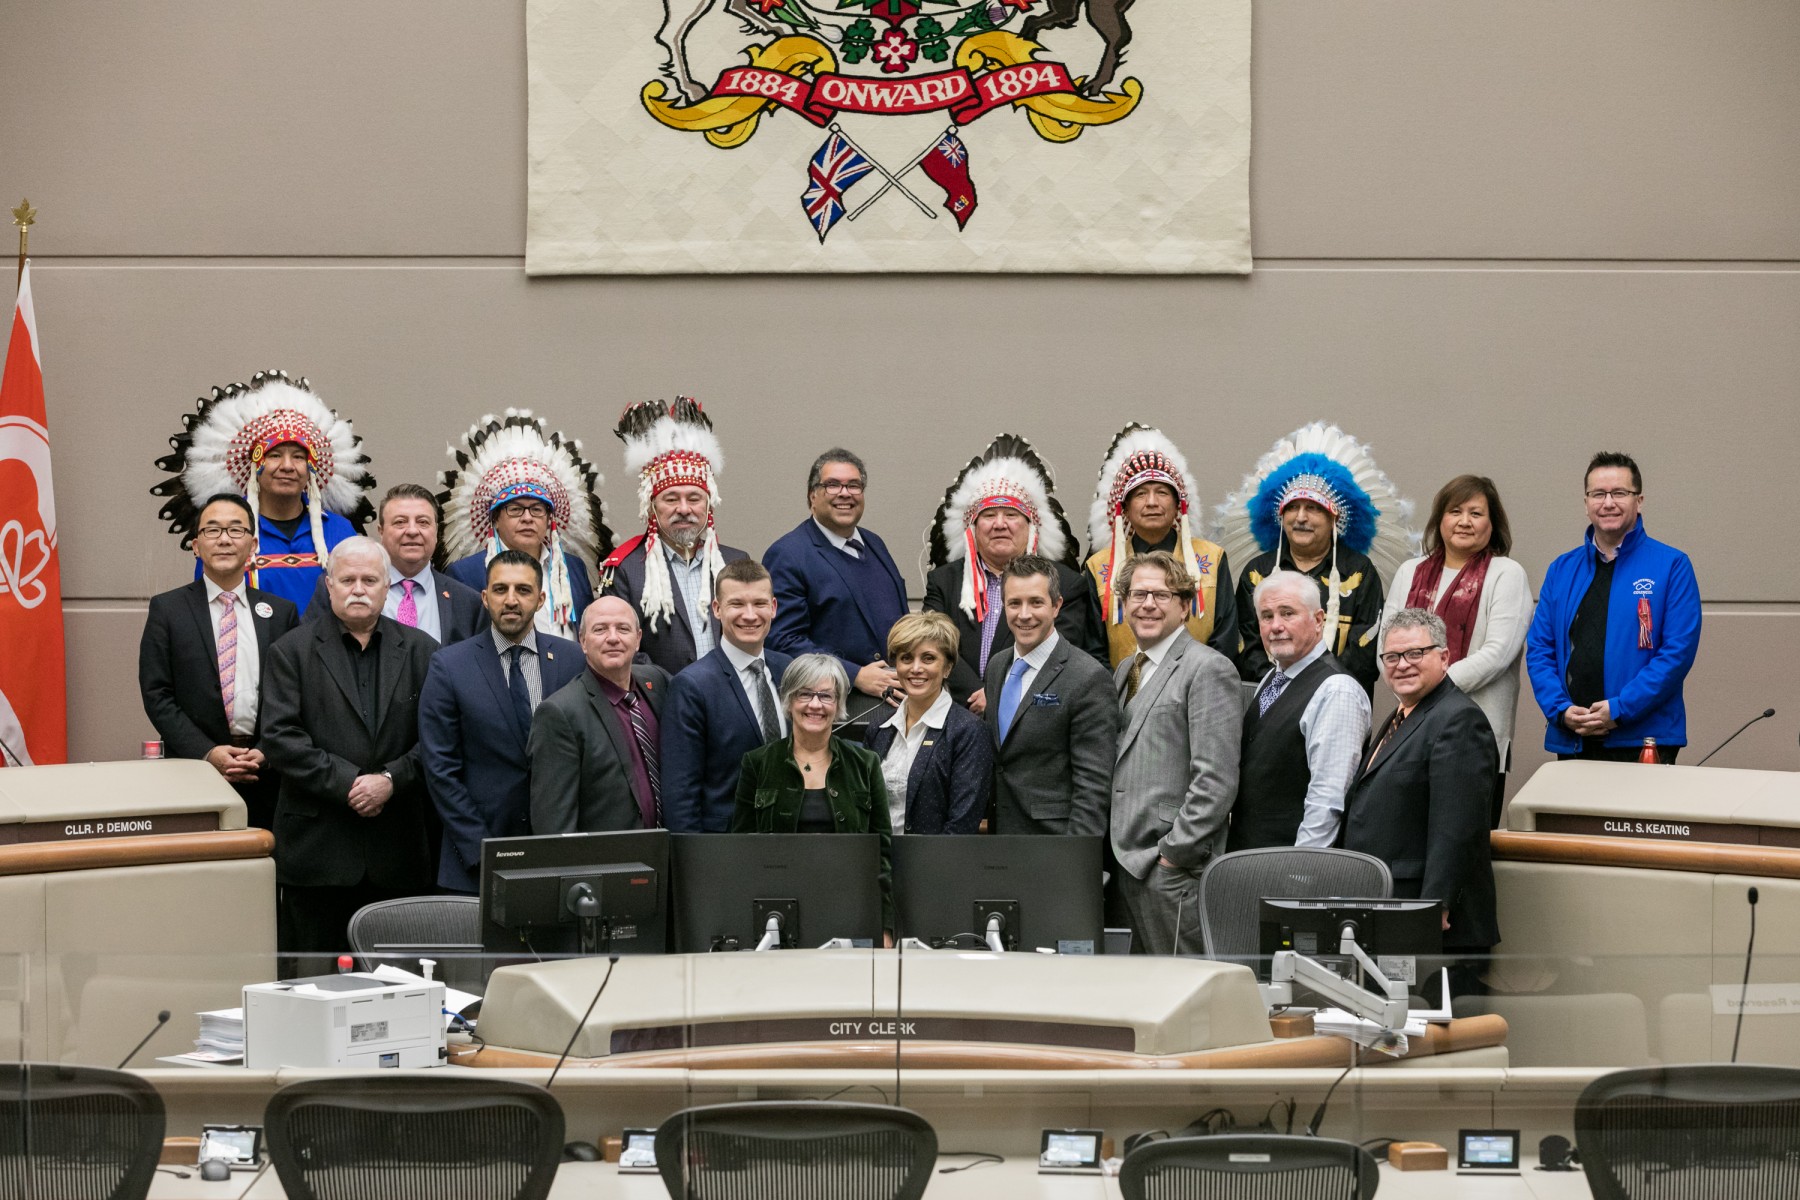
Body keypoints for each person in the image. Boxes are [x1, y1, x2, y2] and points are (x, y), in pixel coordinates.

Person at [260, 537, 438, 963]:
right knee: (317, 984)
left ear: (386, 586)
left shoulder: (423, 651)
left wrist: (391, 780)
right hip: (318, 854)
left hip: (397, 851)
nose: (358, 588)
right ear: (329, 585)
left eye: (370, 580)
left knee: (398, 986)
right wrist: (350, 783)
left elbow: (438, 741)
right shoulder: (290, 651)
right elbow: (280, 737)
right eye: (348, 579)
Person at [1342, 610, 1500, 992]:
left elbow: (1457, 825)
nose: (1402, 665)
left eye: (1416, 653)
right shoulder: (1402, 716)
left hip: (1432, 925)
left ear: (1444, 658)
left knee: (1433, 1041)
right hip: (1391, 910)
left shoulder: (1458, 719)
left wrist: (1435, 906)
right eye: (1392, 657)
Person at [417, 550, 584, 893]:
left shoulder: (571, 660)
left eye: (523, 590)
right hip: (474, 860)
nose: (511, 600)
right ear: (484, 597)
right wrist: (482, 849)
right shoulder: (449, 665)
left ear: (540, 599)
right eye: (500, 589)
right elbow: (440, 768)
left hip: (559, 856)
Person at [1107, 552, 1243, 955]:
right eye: (1138, 594)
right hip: (1125, 863)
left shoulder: (1208, 669)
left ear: (1185, 606)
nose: (1148, 604)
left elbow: (1215, 780)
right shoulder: (1125, 670)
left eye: (1162, 595)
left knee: (1185, 991)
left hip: (1171, 868)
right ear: (1125, 604)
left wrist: (1173, 855)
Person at [139, 492, 300, 830]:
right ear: (196, 545)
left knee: (264, 870)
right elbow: (158, 695)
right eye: (212, 530)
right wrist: (208, 752)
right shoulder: (168, 610)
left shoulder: (281, 612)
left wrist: (267, 750)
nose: (224, 539)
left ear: (253, 544)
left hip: (265, 772)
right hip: (192, 771)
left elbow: (295, 693)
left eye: (236, 530)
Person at [1217, 422, 1417, 694]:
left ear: (1334, 519)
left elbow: (1366, 650)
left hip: (1340, 697)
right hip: (1269, 698)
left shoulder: (1358, 572)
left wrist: (1318, 687)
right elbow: (1246, 644)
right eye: (1293, 508)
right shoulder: (1258, 573)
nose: (1301, 517)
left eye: (1313, 508)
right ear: (1280, 516)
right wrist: (1282, 688)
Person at [1527, 452, 1701, 763]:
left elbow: (1676, 653)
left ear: (1640, 500)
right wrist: (1561, 710)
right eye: (1598, 494)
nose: (1608, 503)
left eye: (1619, 493)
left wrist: (1620, 709)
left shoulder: (1672, 565)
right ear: (1586, 503)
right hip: (1574, 737)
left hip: (1644, 739)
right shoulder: (1561, 570)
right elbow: (1540, 649)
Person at [152, 370, 374, 614]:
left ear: (311, 467)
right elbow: (209, 615)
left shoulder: (340, 532)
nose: (287, 466)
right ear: (255, 465)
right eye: (275, 455)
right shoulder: (228, 534)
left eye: (298, 457)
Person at [1384, 475, 1532, 824]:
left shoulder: (1506, 574)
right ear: (1440, 519)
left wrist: (1427, 686)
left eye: (1476, 513)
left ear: (1492, 523)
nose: (1464, 521)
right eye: (1455, 511)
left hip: (1475, 729)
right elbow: (1387, 646)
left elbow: (1497, 653)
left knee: (1462, 837)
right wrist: (1414, 685)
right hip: (1410, 730)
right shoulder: (1410, 572)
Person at [923, 433, 1106, 709]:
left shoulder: (1066, 584)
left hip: (1030, 716)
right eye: (988, 515)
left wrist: (999, 693)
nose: (999, 524)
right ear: (973, 528)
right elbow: (933, 642)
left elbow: (1059, 653)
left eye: (1011, 515)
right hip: (955, 712)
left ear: (1031, 526)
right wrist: (977, 695)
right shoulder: (944, 581)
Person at [730, 653, 893, 933]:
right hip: (778, 914)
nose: (815, 704)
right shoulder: (758, 763)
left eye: (826, 696)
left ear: (839, 704)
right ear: (789, 700)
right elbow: (742, 852)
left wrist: (885, 926)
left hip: (850, 911)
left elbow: (883, 853)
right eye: (805, 694)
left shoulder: (865, 764)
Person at [601, 396, 750, 675]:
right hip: (661, 705)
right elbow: (622, 648)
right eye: (671, 499)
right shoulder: (625, 570)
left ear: (709, 504)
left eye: (694, 498)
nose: (684, 509)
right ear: (651, 506)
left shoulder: (736, 563)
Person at [1226, 571, 1369, 852]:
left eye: (1287, 613)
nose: (1275, 626)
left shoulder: (1336, 690)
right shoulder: (1271, 678)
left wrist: (1300, 870)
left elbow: (1327, 799)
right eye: (1267, 616)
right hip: (1249, 856)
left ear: (1318, 620)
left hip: (1294, 868)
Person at [440, 410, 611, 639]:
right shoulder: (466, 574)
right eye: (515, 509)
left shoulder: (572, 568)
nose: (528, 518)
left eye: (537, 509)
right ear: (495, 520)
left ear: (550, 519)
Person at [983, 555, 1120, 837]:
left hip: (1056, 841)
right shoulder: (997, 666)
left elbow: (1093, 787)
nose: (1024, 614)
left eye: (1036, 602)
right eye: (1014, 603)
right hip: (1001, 838)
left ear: (1057, 606)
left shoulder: (1087, 677)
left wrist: (1075, 857)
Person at [1083, 424, 1239, 668]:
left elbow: (1225, 638)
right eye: (1141, 494)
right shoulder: (1099, 566)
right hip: (1120, 695)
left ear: (1178, 505)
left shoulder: (1212, 557)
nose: (1152, 502)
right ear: (1124, 509)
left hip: (1197, 690)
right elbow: (1094, 648)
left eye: (1163, 493)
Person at [763, 449, 910, 706]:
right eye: (832, 485)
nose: (845, 493)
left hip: (895, 699)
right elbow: (783, 641)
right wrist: (854, 675)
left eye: (854, 485)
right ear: (812, 496)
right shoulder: (788, 554)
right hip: (835, 705)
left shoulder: (874, 543)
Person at [660, 559, 793, 832]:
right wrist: (693, 865)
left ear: (773, 607)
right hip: (724, 850)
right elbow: (681, 791)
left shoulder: (789, 671)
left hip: (790, 841)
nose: (749, 615)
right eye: (737, 604)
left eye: (759, 603)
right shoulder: (692, 686)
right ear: (717, 610)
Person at [530, 597, 672, 835]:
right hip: (607, 865)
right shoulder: (559, 713)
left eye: (623, 628)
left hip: (668, 857)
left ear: (637, 640)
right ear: (583, 642)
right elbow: (554, 825)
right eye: (600, 629)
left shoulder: (656, 682)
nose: (613, 638)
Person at [863, 612, 994, 835]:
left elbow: (962, 824)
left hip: (934, 865)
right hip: (877, 864)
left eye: (928, 658)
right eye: (906, 658)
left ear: (948, 667)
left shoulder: (968, 731)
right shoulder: (879, 728)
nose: (915, 668)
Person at [308, 483, 485, 644]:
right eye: (400, 522)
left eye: (423, 522)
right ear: (381, 531)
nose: (413, 531)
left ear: (436, 531)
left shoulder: (467, 602)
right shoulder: (337, 589)